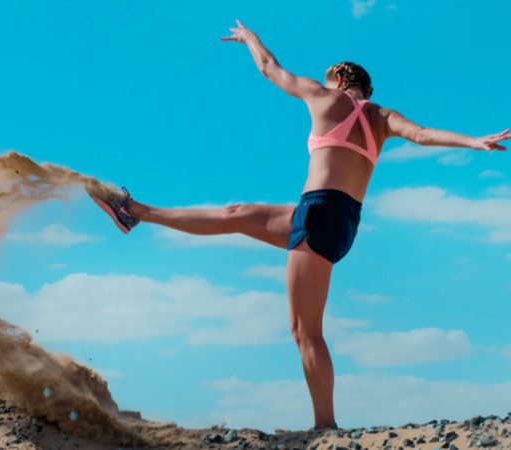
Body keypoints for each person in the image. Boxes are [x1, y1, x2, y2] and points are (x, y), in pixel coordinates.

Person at [88, 19, 509, 429]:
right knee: (234, 215)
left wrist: (249, 38)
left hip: (319, 211)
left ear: (340, 79)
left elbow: (271, 68)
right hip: (338, 219)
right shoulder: (383, 117)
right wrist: (474, 140)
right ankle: (134, 210)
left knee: (305, 331)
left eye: (329, 79)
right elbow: (422, 134)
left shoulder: (327, 98)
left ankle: (325, 426)